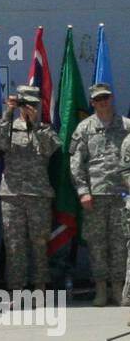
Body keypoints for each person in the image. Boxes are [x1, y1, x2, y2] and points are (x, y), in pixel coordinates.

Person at [0, 86, 60, 295]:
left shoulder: (45, 129)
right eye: (25, 104)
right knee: (14, 245)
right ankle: (16, 290)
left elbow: (51, 149)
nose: (28, 108)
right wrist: (8, 113)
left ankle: (40, 288)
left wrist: (36, 125)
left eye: (33, 104)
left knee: (39, 243)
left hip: (38, 195)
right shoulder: (8, 126)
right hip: (12, 195)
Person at [70, 82, 130, 306]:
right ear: (92, 102)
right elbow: (76, 163)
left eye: (106, 98)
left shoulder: (126, 126)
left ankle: (118, 289)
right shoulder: (84, 128)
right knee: (96, 243)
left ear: (111, 99)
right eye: (98, 99)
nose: (103, 102)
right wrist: (83, 191)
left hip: (122, 195)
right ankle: (100, 289)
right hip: (94, 195)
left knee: (120, 242)